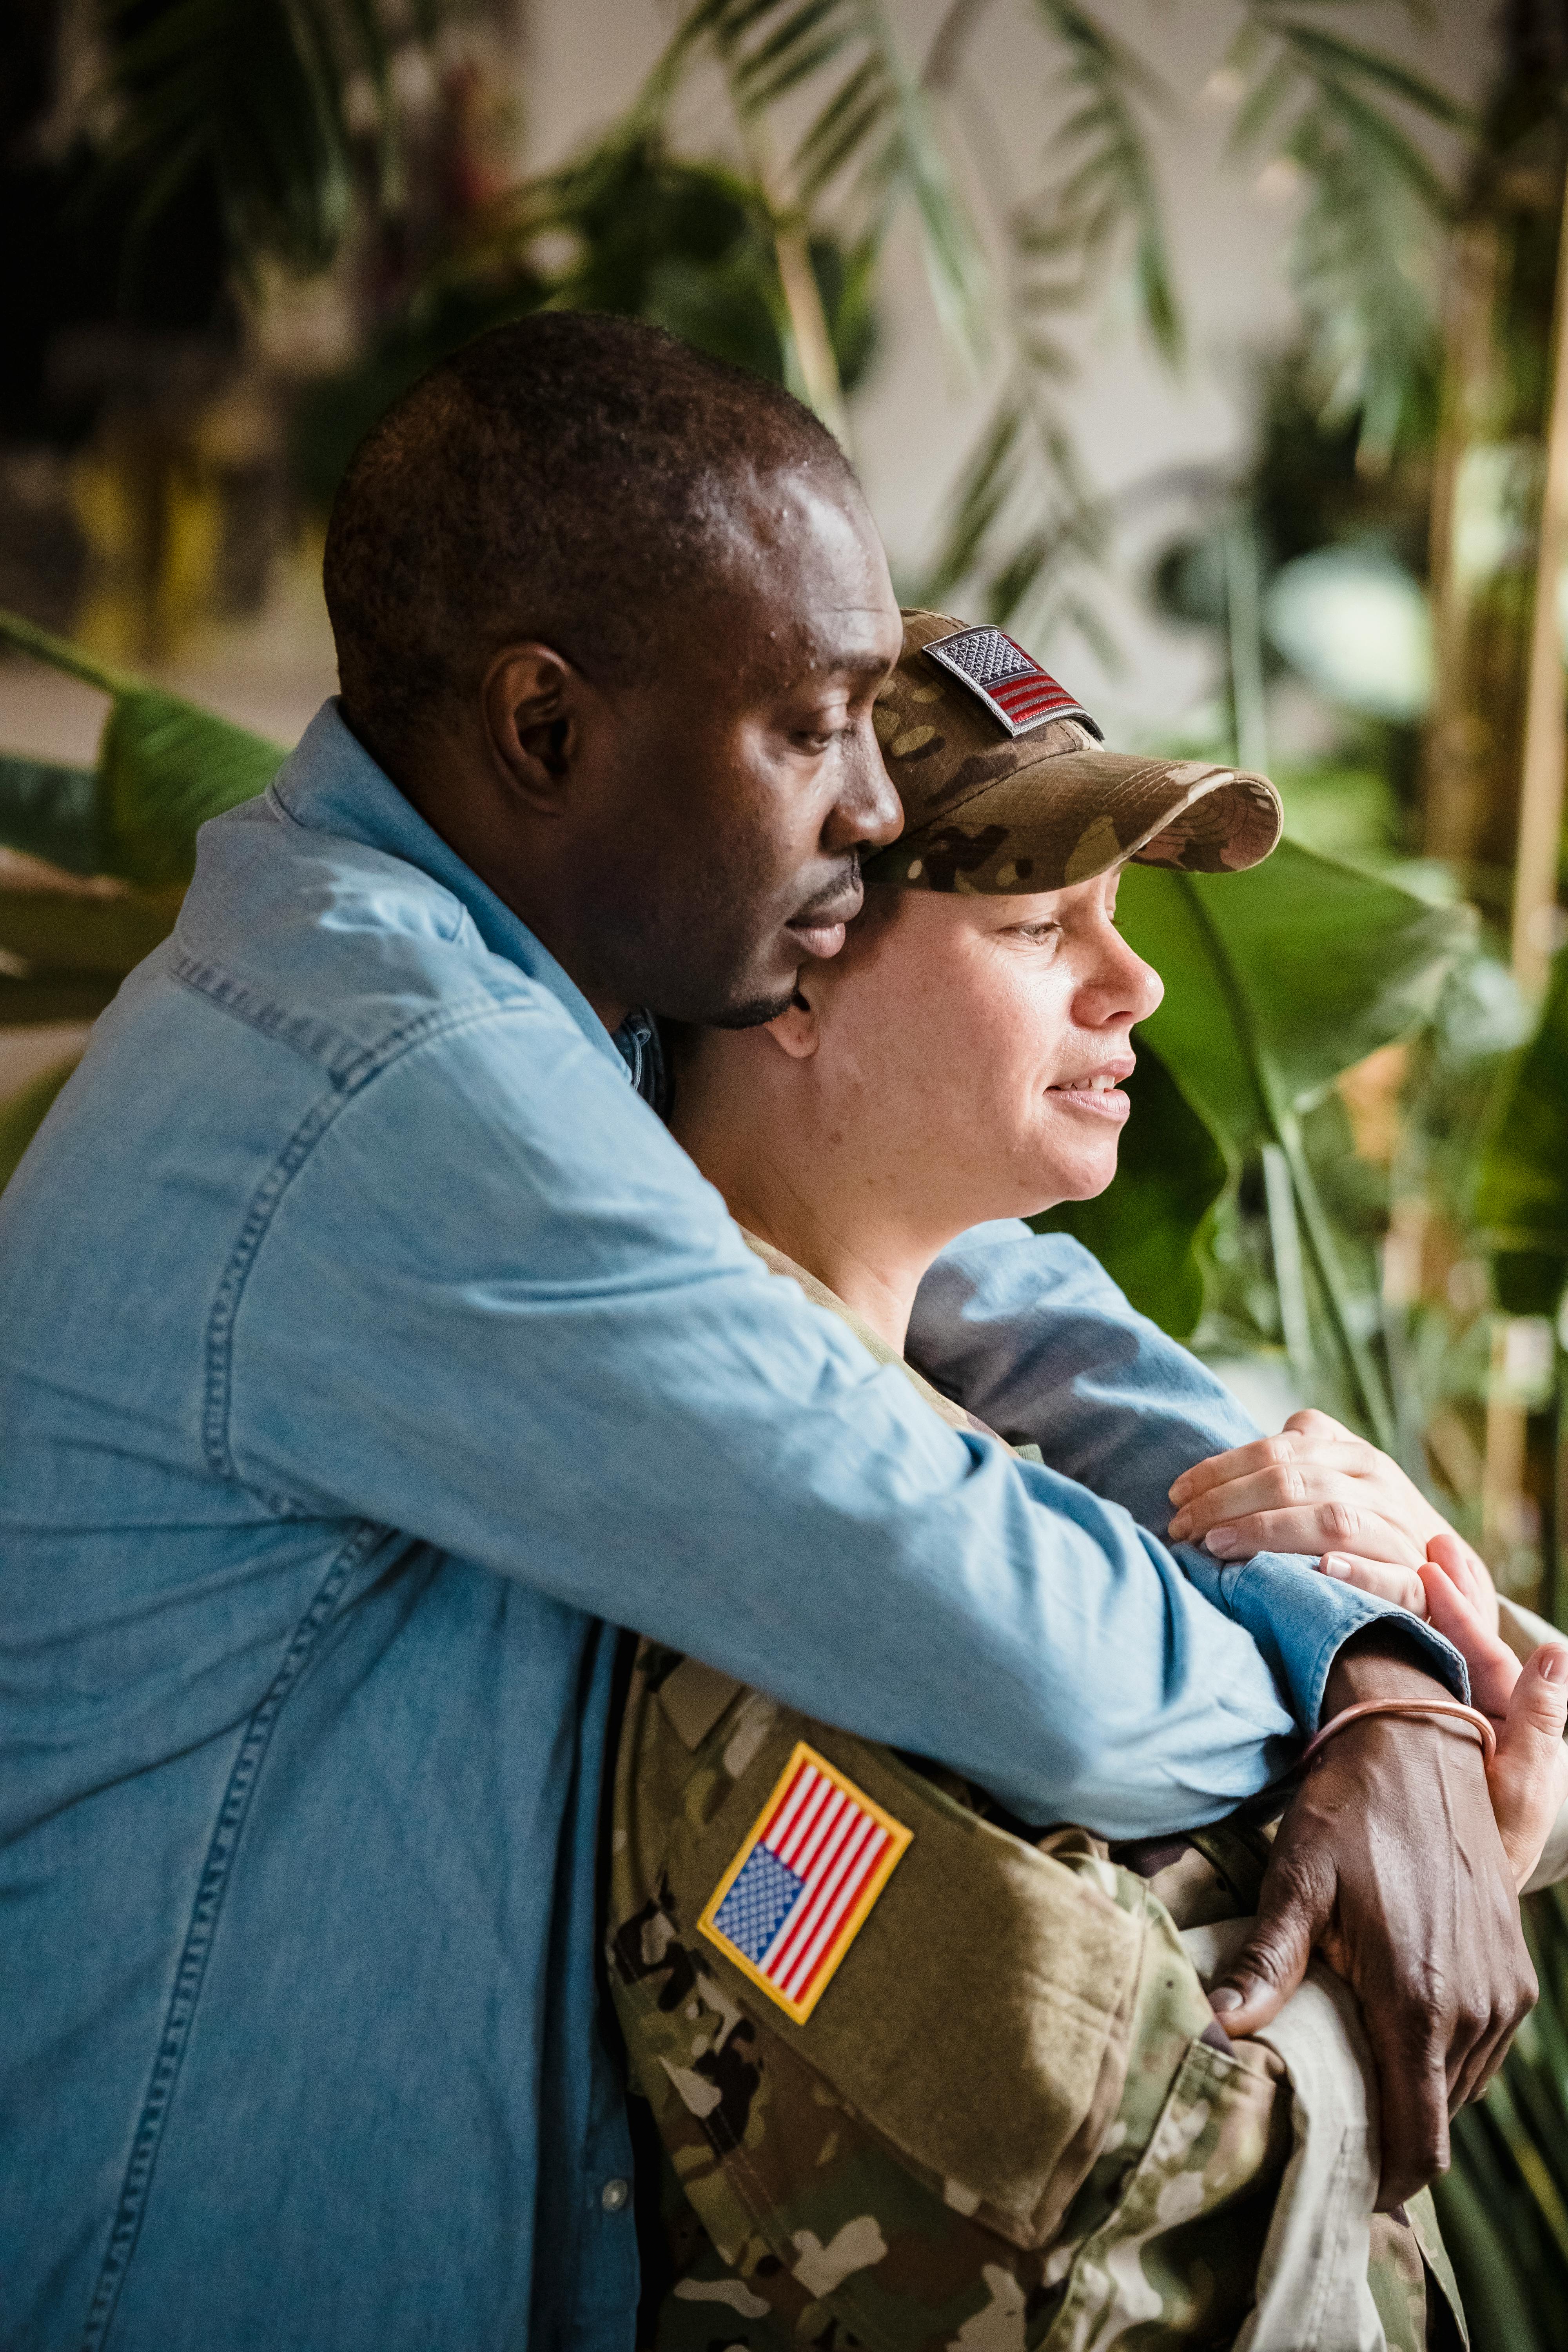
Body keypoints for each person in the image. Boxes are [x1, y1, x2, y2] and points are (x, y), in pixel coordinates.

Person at [0, 318, 1532, 2352]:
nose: (879, 806)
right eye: (813, 724)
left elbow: (1004, 1305)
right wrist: (1367, 1696)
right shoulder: (408, 1085)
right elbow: (1021, 1640)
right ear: (549, 729)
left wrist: (1374, 1653)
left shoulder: (540, 976)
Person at [610, 608, 1568, 2347]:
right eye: (1041, 925)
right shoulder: (763, 1533)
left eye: (1113, 920)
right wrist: (1447, 1886)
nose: (1133, 987)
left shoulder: (977, 1428)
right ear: (796, 965)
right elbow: (1120, 2191)